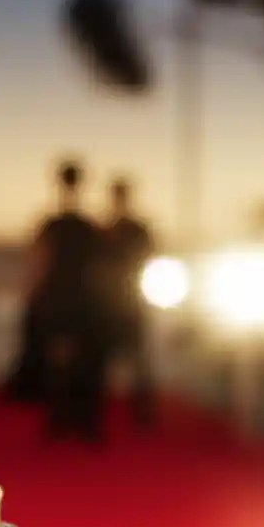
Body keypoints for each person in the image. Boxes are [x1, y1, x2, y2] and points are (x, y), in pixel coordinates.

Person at [14, 160, 105, 440]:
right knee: (71, 360)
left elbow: (40, 261)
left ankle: (64, 417)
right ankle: (74, 418)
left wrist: (34, 294)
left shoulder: (57, 225)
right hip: (77, 298)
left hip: (63, 298)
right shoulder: (85, 227)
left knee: (61, 360)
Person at [99, 176, 156, 427]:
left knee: (138, 362)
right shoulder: (105, 230)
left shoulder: (133, 230)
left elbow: (147, 258)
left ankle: (143, 414)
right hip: (110, 305)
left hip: (130, 304)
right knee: (104, 361)